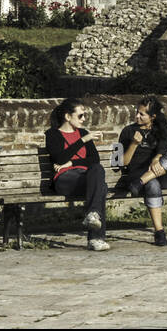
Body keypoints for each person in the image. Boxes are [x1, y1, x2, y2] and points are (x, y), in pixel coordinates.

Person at [45, 99, 109, 251]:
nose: (84, 119)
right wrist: (82, 141)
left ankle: (92, 214)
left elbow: (94, 160)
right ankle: (96, 238)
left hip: (83, 176)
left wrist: (71, 163)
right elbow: (59, 158)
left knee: (98, 170)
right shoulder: (53, 134)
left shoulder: (83, 132)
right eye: (80, 116)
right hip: (64, 179)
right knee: (101, 187)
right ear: (68, 117)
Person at [118, 96, 167, 246]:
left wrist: (156, 159)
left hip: (162, 176)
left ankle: (141, 181)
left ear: (152, 116)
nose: (137, 116)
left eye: (142, 114)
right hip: (137, 174)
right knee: (152, 185)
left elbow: (165, 148)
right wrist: (134, 144)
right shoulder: (128, 131)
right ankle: (159, 232)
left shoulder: (161, 130)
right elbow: (121, 163)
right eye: (137, 113)